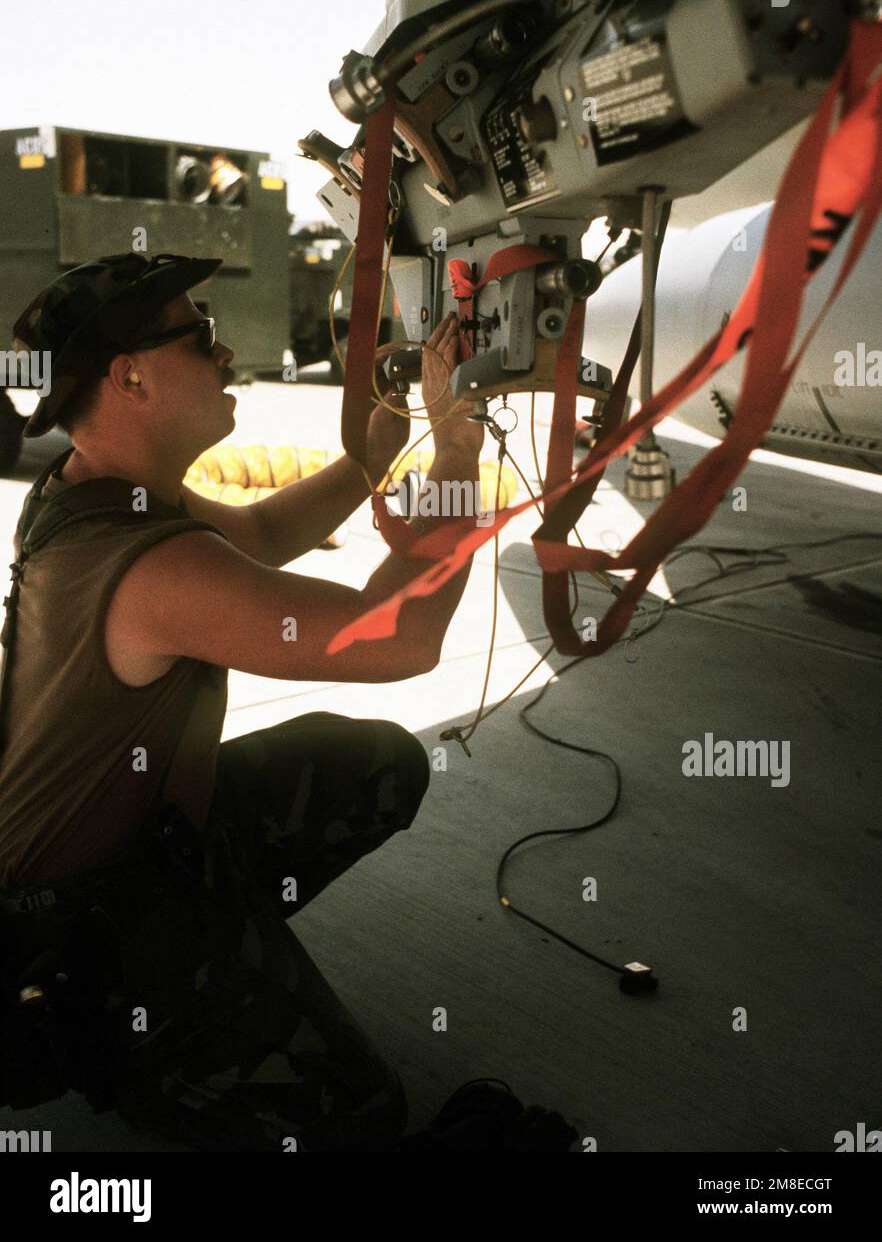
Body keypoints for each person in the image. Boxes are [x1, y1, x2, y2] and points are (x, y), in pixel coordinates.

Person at [0, 252, 577, 1151]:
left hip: (145, 852)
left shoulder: (95, 492)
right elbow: (396, 638)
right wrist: (457, 452)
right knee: (360, 1120)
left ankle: (222, 971)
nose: (227, 354)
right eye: (204, 336)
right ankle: (145, 1039)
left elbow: (264, 534)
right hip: (83, 932)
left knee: (377, 768)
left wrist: (374, 454)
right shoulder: (143, 563)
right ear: (131, 376)